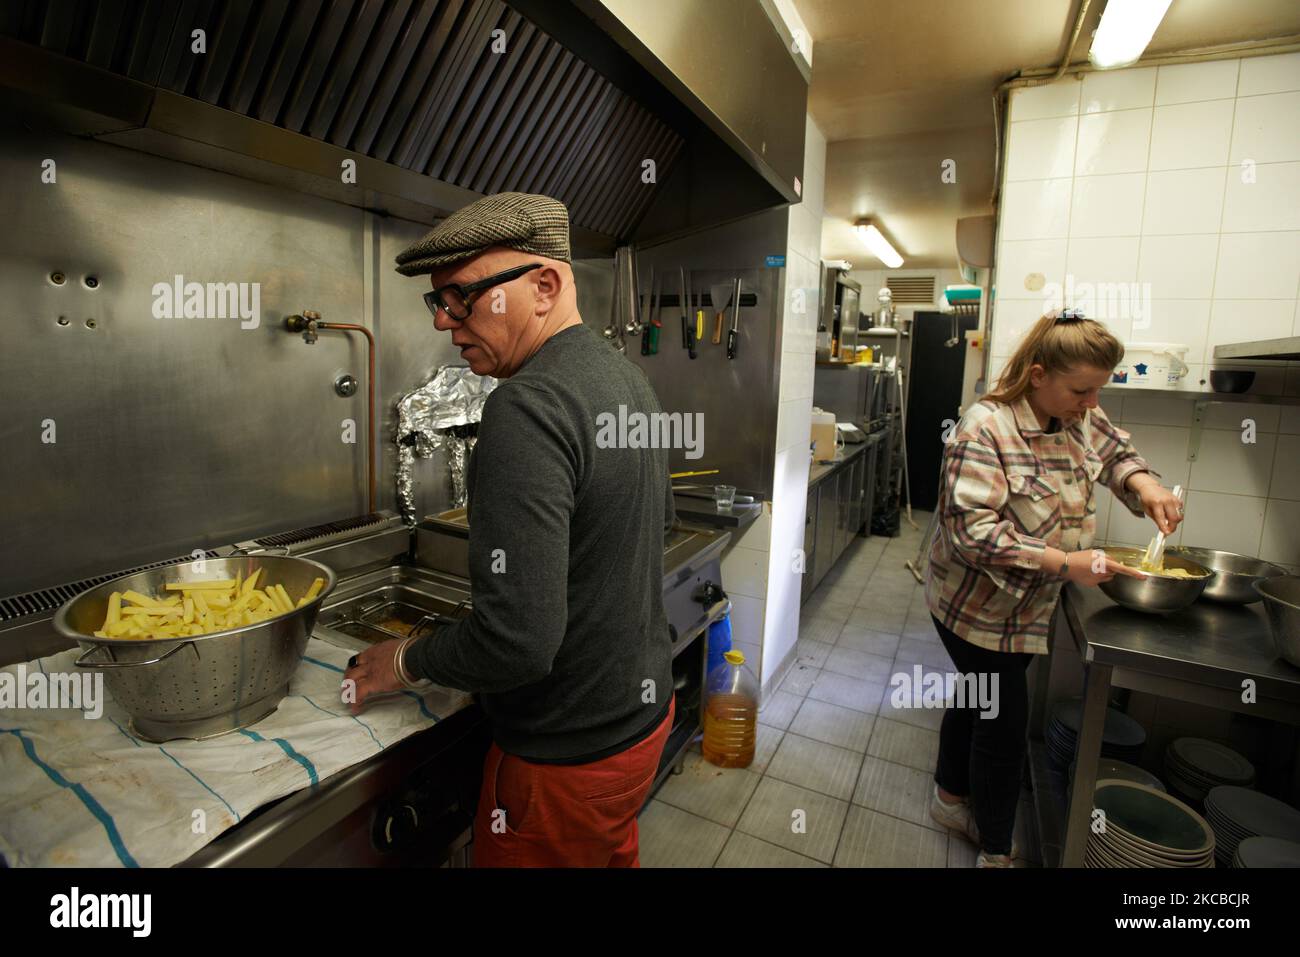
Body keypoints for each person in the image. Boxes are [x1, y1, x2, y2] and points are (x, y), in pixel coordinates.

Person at [343, 192, 676, 867]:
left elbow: (518, 643)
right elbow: (648, 529)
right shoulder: (627, 379)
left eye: (462, 297)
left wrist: (403, 660)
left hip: (565, 759)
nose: (444, 321)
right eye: (437, 301)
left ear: (545, 286)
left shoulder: (525, 410)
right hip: (640, 723)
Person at [924, 310, 1183, 867]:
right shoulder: (985, 428)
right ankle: (997, 851)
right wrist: (1066, 562)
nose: (1092, 403)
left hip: (1027, 607)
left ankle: (949, 798)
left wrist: (1146, 484)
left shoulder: (1078, 415)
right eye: (1082, 390)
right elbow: (972, 533)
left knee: (978, 701)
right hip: (976, 609)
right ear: (1038, 375)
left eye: (1098, 392)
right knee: (1003, 729)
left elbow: (1116, 453)